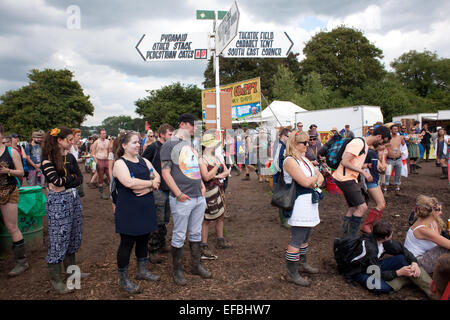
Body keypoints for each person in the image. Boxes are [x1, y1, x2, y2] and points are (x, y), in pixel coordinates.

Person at [160, 113, 211, 286]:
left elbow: (194, 167)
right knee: (180, 233)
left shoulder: (189, 144)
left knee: (196, 232)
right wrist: (178, 193)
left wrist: (202, 185)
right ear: (182, 124)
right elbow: (165, 172)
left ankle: (196, 265)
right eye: (193, 125)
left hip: (197, 195)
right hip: (182, 197)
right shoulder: (169, 144)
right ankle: (178, 270)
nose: (196, 129)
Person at [41, 127, 88, 294]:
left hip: (73, 198)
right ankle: (56, 281)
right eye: (69, 139)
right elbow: (55, 181)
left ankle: (72, 273)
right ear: (59, 141)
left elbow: (79, 178)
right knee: (59, 237)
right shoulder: (47, 160)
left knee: (74, 235)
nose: (72, 141)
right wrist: (70, 179)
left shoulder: (70, 157)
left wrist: (66, 181)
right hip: (58, 203)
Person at [112, 131, 161, 293]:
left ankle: (142, 271)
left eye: (139, 142)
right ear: (124, 146)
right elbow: (128, 182)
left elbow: (158, 178)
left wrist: (149, 187)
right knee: (127, 243)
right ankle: (123, 279)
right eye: (134, 142)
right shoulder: (120, 163)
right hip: (128, 210)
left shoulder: (144, 160)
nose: (138, 145)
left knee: (143, 238)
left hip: (145, 206)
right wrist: (150, 183)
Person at [333, 126, 391, 237]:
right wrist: (364, 173)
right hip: (345, 178)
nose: (382, 144)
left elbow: (355, 163)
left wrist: (367, 166)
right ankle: (351, 237)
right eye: (383, 141)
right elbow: (345, 161)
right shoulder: (358, 143)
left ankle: (345, 233)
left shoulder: (365, 145)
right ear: (379, 136)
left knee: (353, 207)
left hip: (348, 178)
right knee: (362, 207)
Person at [283, 131, 324, 287]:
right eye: (304, 142)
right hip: (299, 203)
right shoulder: (290, 160)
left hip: (310, 202)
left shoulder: (304, 159)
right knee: (297, 238)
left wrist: (313, 180)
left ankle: (303, 264)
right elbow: (306, 182)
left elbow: (319, 177)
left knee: (306, 235)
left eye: (309, 142)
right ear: (294, 144)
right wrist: (315, 180)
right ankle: (292, 273)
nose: (308, 144)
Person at [349, 220, 432, 297]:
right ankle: (401, 279)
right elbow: (375, 273)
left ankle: (431, 290)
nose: (392, 235)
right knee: (381, 287)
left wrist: (414, 262)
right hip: (359, 271)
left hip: (373, 265)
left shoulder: (383, 241)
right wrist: (398, 273)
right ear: (386, 237)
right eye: (391, 234)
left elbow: (402, 250)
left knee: (402, 258)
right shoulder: (370, 250)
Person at [142, 123, 174, 264]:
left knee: (165, 219)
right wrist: (151, 179)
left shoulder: (171, 148)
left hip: (169, 188)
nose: (172, 137)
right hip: (158, 189)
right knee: (157, 220)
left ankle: (162, 244)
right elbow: (143, 162)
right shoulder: (153, 148)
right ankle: (153, 250)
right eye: (169, 135)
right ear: (162, 134)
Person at [198, 133, 231, 261]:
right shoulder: (202, 160)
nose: (213, 147)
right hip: (208, 191)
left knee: (220, 216)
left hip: (219, 190)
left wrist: (217, 176)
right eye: (211, 145)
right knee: (206, 219)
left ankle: (220, 240)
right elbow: (205, 177)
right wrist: (217, 169)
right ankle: (204, 244)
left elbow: (226, 172)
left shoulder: (216, 157)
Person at [0, 124, 27, 277]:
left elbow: (21, 172)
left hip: (9, 191)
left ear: (2, 135)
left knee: (12, 227)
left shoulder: (11, 151)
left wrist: (7, 171)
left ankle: (21, 262)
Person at [404, 195, 450, 275]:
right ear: (432, 212)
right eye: (438, 210)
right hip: (416, 263)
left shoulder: (432, 221)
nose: (441, 212)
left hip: (425, 255)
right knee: (445, 249)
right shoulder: (422, 229)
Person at [360, 143, 386, 234]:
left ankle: (373, 225)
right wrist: (384, 156)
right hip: (371, 181)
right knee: (380, 204)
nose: (384, 147)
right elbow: (382, 168)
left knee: (382, 204)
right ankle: (368, 225)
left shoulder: (368, 152)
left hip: (371, 181)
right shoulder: (372, 153)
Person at [383, 124, 406, 196]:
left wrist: (403, 153)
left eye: (396, 129)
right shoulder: (388, 138)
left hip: (398, 159)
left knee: (398, 175)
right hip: (390, 159)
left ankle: (397, 189)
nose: (395, 130)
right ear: (391, 130)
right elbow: (383, 145)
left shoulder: (400, 138)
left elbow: (404, 146)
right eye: (394, 129)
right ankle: (385, 190)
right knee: (387, 174)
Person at [91, 129, 110, 199]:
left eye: (105, 133)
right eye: (102, 133)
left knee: (110, 176)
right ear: (99, 134)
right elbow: (92, 154)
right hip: (100, 160)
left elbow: (109, 152)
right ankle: (102, 194)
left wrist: (110, 160)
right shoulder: (96, 142)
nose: (104, 135)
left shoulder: (108, 141)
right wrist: (97, 162)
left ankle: (113, 192)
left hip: (106, 161)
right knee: (100, 178)